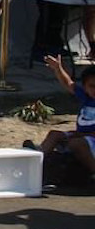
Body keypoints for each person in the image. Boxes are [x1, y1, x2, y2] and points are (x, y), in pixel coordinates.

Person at [29, 56, 95, 186]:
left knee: (76, 143)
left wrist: (78, 135)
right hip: (82, 137)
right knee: (54, 134)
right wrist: (58, 69)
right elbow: (69, 84)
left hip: (88, 140)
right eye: (92, 86)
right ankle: (35, 161)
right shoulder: (86, 98)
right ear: (85, 87)